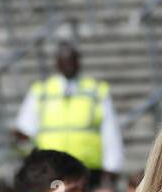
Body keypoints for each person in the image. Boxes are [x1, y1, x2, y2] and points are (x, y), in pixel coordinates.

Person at [13, 42, 124, 177]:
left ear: (79, 62)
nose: (68, 64)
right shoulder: (41, 91)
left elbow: (110, 132)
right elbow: (25, 131)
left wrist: (112, 167)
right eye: (64, 60)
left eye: (72, 60)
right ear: (57, 63)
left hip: (87, 169)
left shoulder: (96, 91)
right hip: (50, 169)